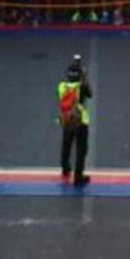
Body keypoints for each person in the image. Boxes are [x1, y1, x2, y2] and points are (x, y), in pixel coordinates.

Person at [58, 55, 93, 187]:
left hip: (67, 119)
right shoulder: (81, 87)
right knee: (81, 150)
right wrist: (85, 76)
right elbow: (90, 94)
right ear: (79, 75)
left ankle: (65, 169)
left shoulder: (62, 86)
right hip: (80, 121)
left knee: (66, 145)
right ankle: (78, 177)